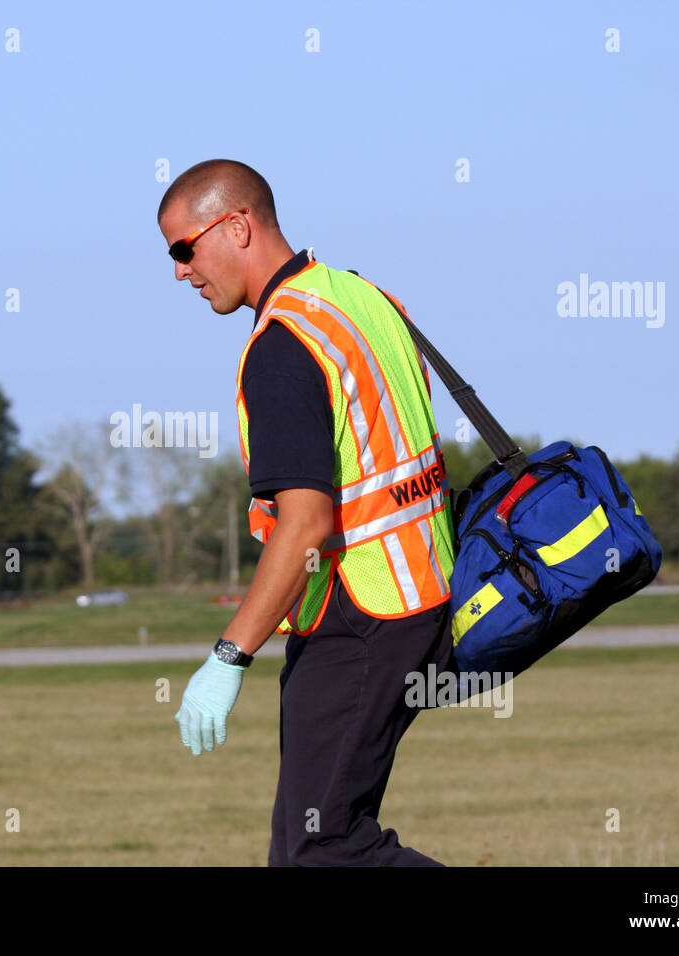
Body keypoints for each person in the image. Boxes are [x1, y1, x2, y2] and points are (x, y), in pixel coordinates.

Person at [158, 159, 457, 866]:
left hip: (361, 615)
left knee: (325, 851)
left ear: (237, 226)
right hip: (417, 592)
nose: (179, 273)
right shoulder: (357, 296)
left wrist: (229, 655)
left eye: (183, 249)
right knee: (299, 850)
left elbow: (306, 522)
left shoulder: (282, 347)